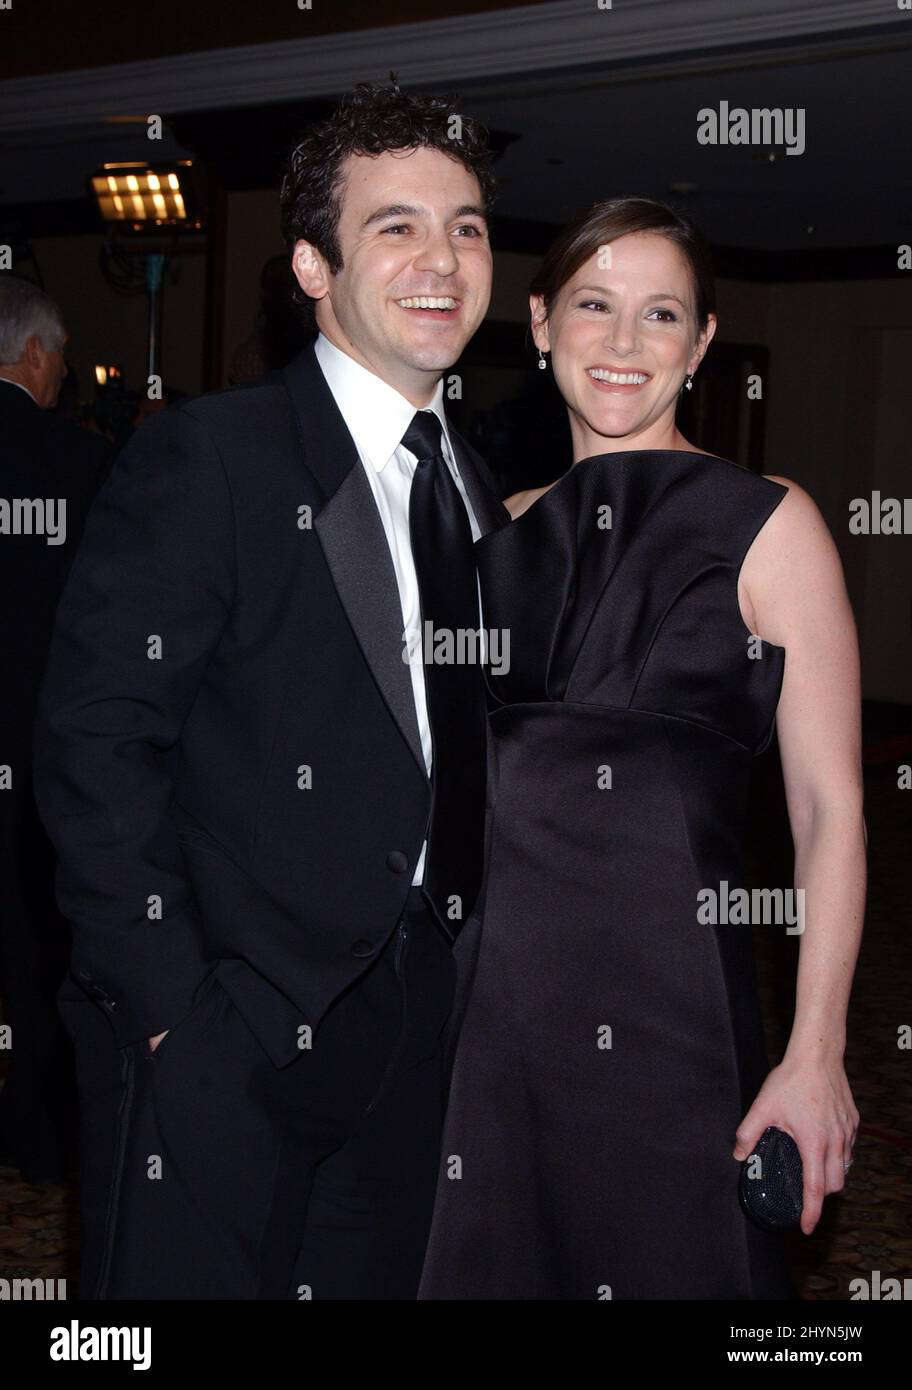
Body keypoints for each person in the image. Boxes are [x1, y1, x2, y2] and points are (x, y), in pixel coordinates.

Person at [32, 82, 509, 1299]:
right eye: (395, 225)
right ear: (311, 264)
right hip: (225, 1016)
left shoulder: (472, 482)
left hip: (412, 1020)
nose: (441, 259)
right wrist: (171, 1009)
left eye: (465, 226)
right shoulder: (214, 454)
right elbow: (96, 738)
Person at [418, 196, 866, 1300]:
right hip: (491, 1020)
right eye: (594, 306)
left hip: (672, 1016)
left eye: (659, 314)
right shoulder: (483, 531)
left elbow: (831, 809)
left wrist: (816, 1052)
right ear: (538, 322)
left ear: (702, 342)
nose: (623, 344)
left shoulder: (767, 519)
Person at [0, 276, 110, 1185]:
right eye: (62, 356)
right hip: (36, 746)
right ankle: (37, 1141)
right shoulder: (78, 465)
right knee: (36, 945)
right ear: (35, 354)